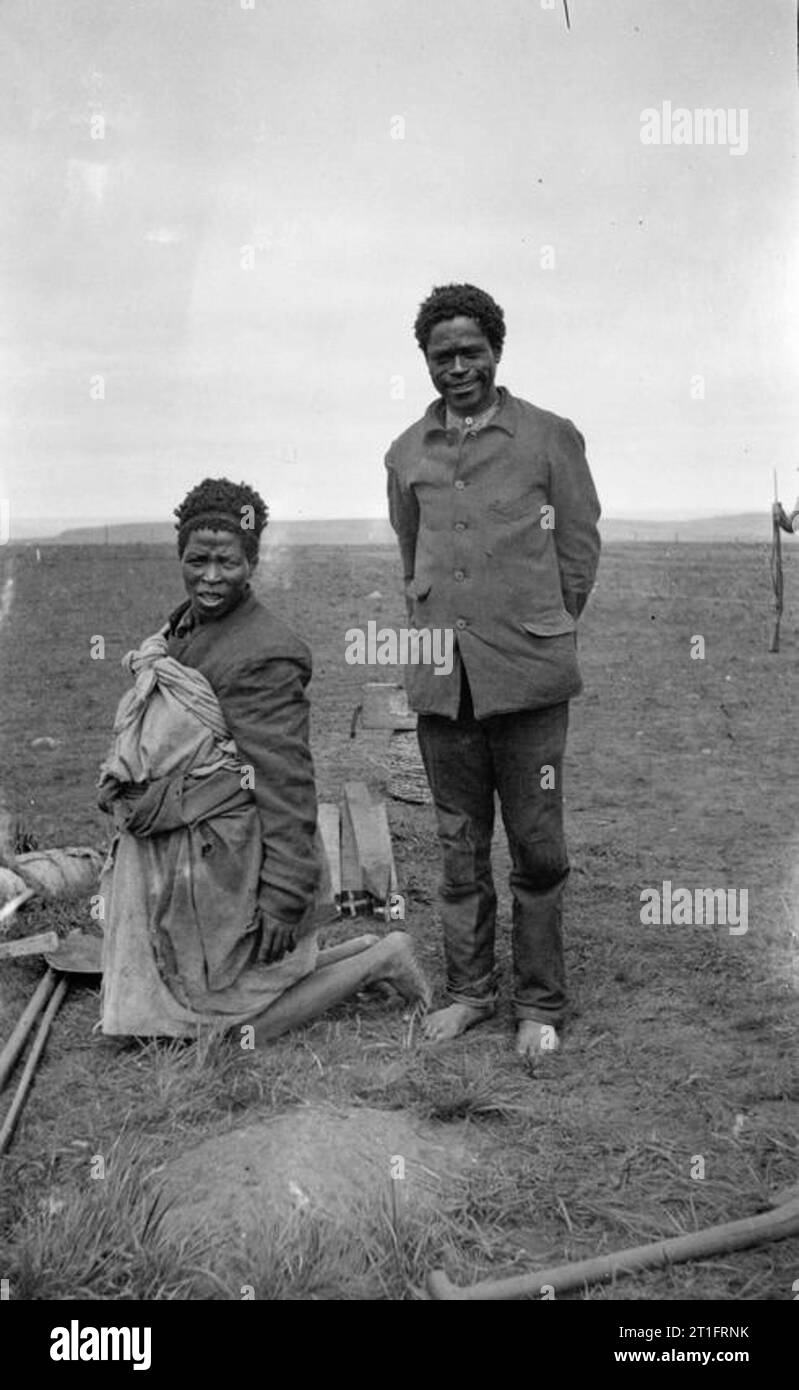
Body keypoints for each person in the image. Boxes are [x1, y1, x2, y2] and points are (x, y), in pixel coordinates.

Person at [98, 477, 429, 1040]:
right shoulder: (183, 629)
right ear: (179, 556)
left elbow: (287, 782)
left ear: (251, 562)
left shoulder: (263, 649)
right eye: (196, 559)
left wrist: (283, 897)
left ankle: (384, 957)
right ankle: (358, 949)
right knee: (204, 994)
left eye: (226, 561)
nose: (209, 576)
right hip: (186, 856)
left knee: (222, 1029)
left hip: (229, 858)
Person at [385, 284, 601, 1059]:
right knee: (456, 847)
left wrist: (539, 626)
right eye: (441, 355)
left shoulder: (548, 437)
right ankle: (471, 993)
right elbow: (413, 557)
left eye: (470, 351)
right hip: (442, 686)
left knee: (537, 847)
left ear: (495, 351)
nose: (456, 367)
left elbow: (577, 549)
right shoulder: (406, 451)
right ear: (426, 361)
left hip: (529, 679)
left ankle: (538, 1005)